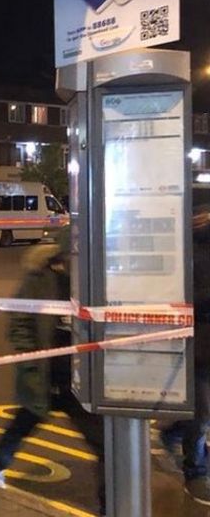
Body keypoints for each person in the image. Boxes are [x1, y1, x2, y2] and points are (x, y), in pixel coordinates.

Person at [0, 230, 105, 513]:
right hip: (45, 377)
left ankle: (108, 507)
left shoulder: (94, 282)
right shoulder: (38, 279)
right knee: (21, 426)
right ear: (62, 254)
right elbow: (19, 320)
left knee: (104, 446)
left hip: (79, 381)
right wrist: (31, 357)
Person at [158, 205, 210, 505]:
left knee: (202, 413)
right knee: (202, 413)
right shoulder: (195, 246)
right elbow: (188, 296)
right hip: (200, 344)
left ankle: (175, 433)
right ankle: (195, 472)